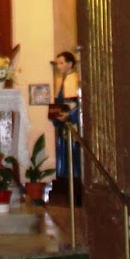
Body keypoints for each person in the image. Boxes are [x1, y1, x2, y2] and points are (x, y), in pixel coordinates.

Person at [48, 50, 82, 202]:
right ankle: (65, 178)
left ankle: (74, 180)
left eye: (62, 63)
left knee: (72, 154)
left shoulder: (73, 79)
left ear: (70, 63)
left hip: (70, 124)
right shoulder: (62, 79)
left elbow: (75, 103)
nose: (59, 66)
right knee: (63, 152)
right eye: (58, 63)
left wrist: (68, 114)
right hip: (63, 123)